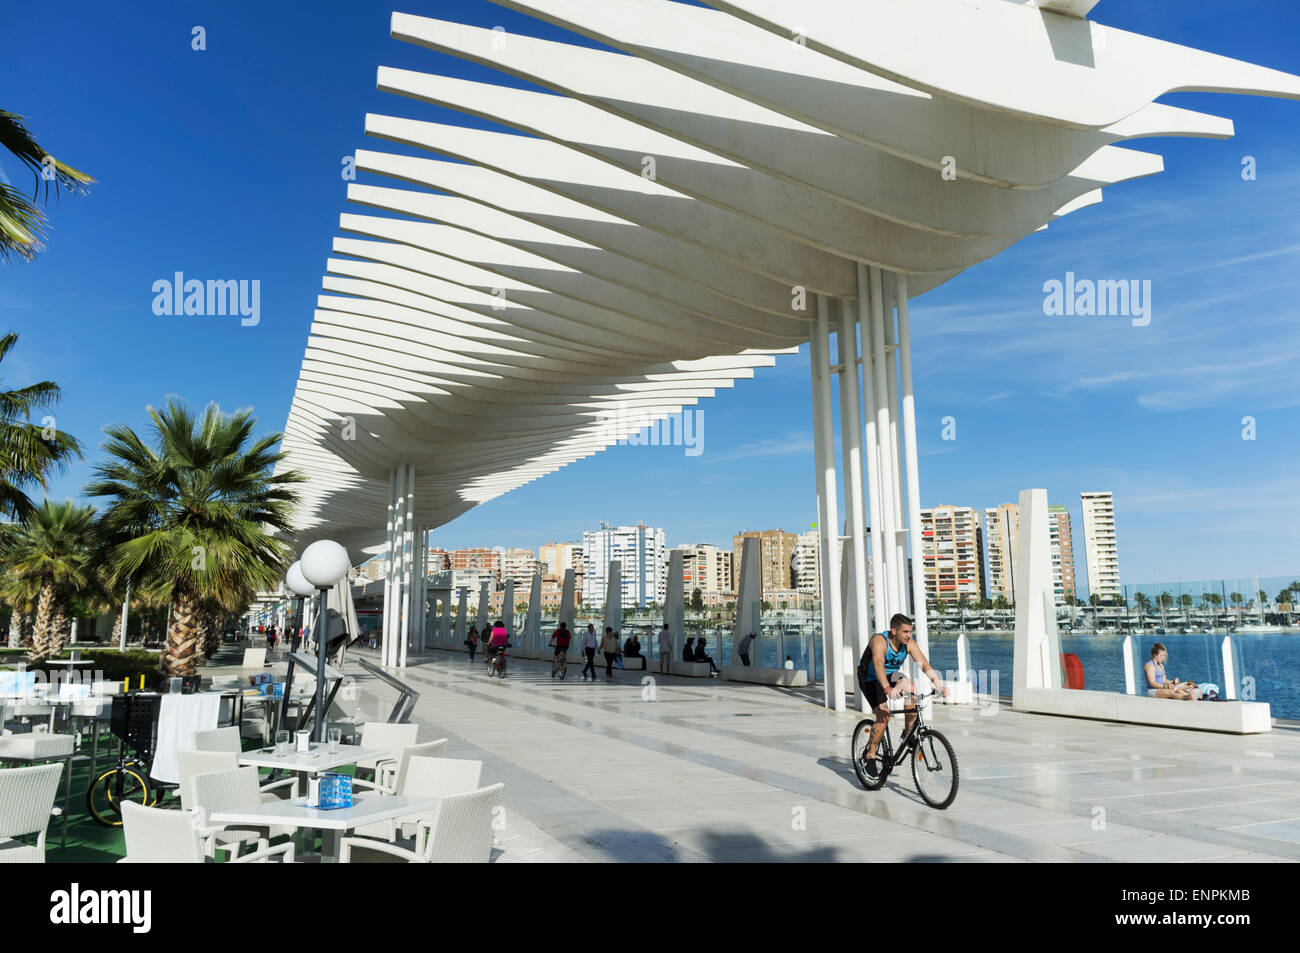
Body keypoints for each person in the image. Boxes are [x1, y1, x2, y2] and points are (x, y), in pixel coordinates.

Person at [858, 613, 946, 780]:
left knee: (912, 689)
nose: (908, 635)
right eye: (905, 632)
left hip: (891, 674)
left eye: (910, 632)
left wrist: (938, 684)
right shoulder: (879, 641)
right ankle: (869, 756)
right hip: (870, 677)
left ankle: (907, 733)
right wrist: (887, 688)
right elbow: (878, 664)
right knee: (884, 714)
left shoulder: (909, 644)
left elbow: (923, 664)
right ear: (894, 631)